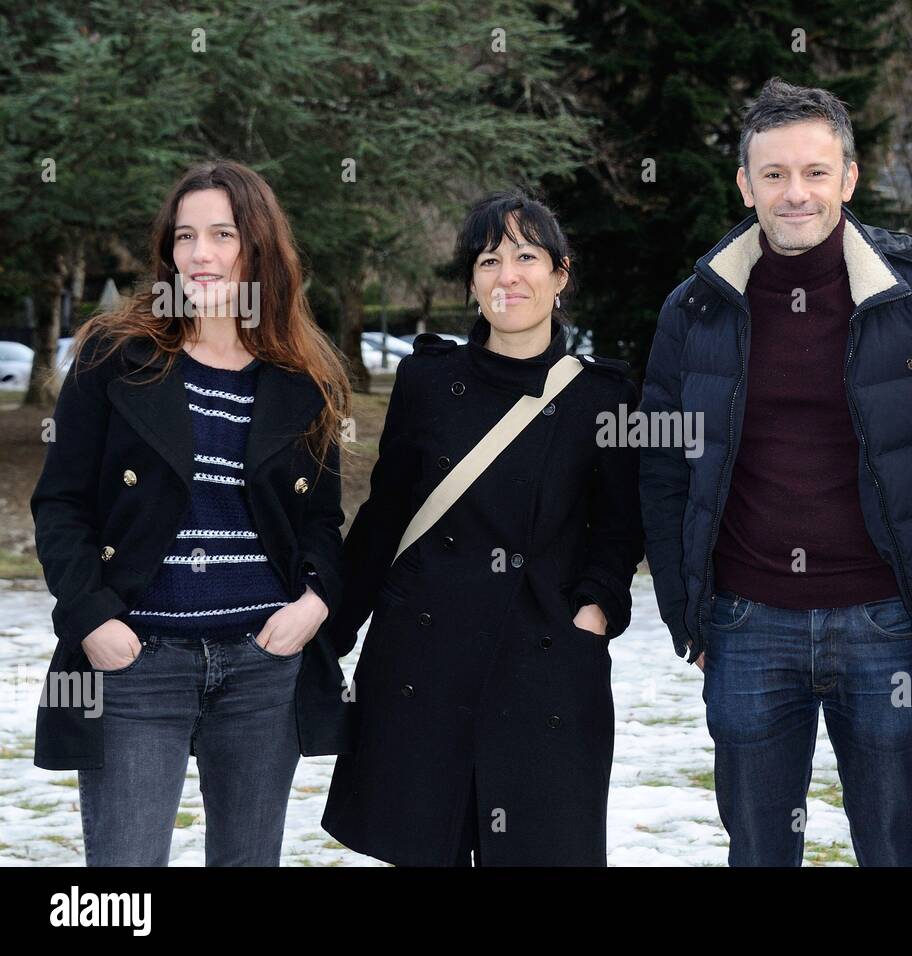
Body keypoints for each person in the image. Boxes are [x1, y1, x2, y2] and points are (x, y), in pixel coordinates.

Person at [639, 77, 912, 866]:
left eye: (814, 172)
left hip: (891, 622)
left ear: (848, 176)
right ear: (745, 184)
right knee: (758, 852)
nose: (795, 193)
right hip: (744, 626)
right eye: (773, 174)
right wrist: (687, 614)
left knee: (896, 848)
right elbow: (662, 467)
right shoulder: (695, 309)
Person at [30, 159, 352, 866]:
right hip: (136, 664)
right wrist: (92, 619)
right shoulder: (115, 358)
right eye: (183, 237)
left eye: (221, 234)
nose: (198, 254)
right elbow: (60, 505)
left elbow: (322, 522)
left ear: (259, 246)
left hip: (262, 665)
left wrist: (315, 603)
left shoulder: (305, 379)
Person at [321, 190, 643, 866]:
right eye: (490, 260)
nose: (508, 276)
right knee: (425, 844)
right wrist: (333, 632)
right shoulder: (427, 380)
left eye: (527, 256)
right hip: (422, 659)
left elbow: (618, 526)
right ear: (471, 282)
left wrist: (596, 609)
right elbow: (386, 517)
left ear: (560, 274)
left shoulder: (603, 395)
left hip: (545, 659)